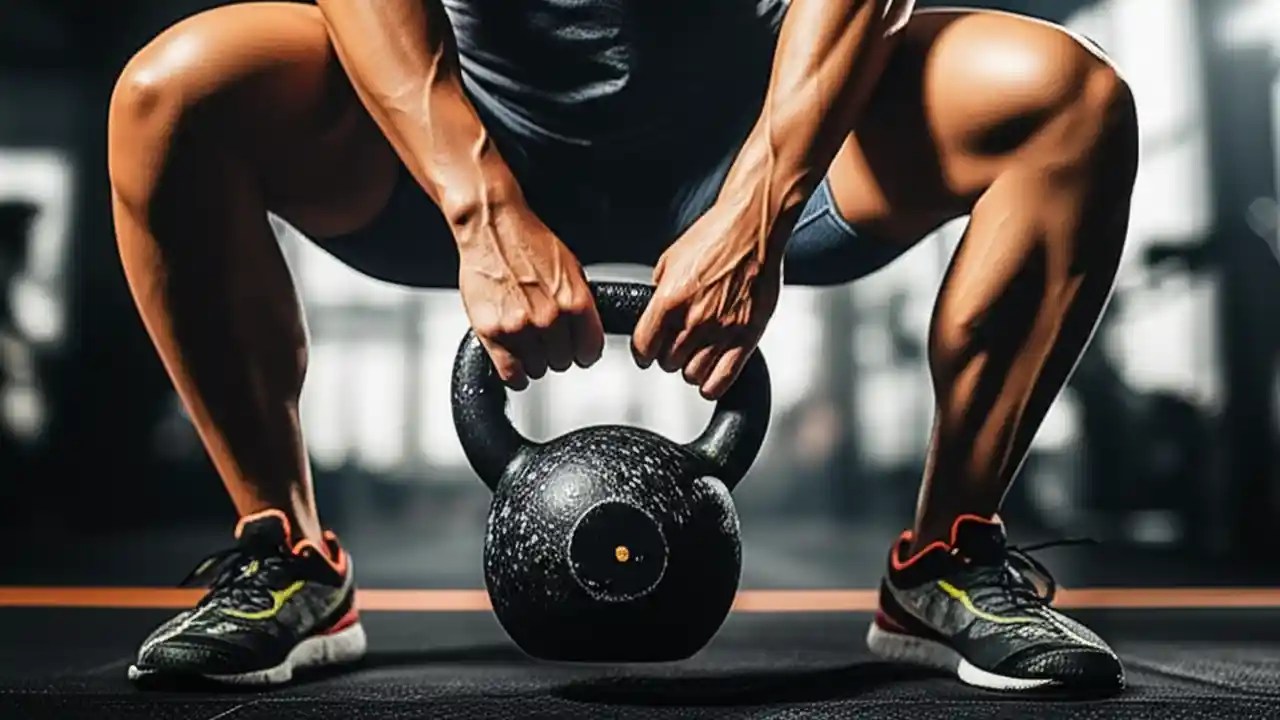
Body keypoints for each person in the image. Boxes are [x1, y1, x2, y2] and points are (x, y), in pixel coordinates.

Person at [108, 0, 1137, 693]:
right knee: (175, 92)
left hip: (758, 121)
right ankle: (284, 557)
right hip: (453, 124)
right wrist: (476, 206)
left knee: (1063, 98)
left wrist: (759, 208)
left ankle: (942, 559)